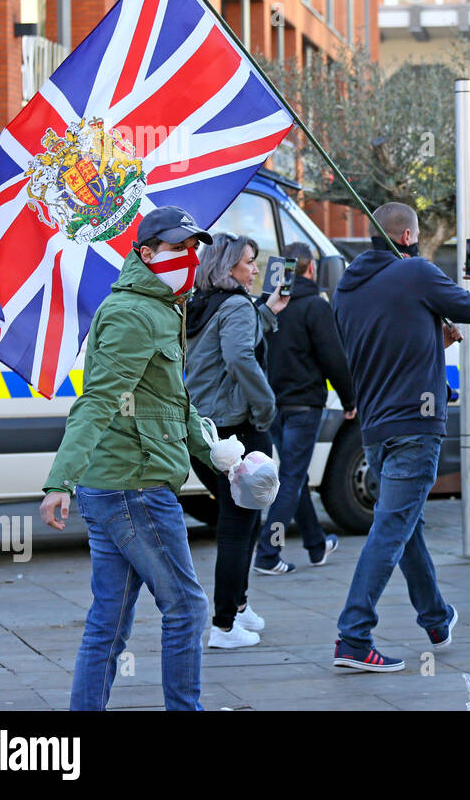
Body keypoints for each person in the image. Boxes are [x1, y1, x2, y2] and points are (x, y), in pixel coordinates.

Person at [39, 206, 214, 710]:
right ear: (145, 253)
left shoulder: (162, 305)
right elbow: (96, 400)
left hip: (120, 482)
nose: (190, 256)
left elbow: (171, 401)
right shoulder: (133, 313)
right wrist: (59, 482)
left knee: (109, 621)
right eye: (178, 247)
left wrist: (217, 454)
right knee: (186, 607)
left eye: (193, 247)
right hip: (133, 486)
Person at [332, 203, 470, 672]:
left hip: (377, 429)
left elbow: (377, 347)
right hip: (415, 426)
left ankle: (436, 618)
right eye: (418, 236)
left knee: (406, 525)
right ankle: (353, 636)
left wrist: (428, 337)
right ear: (406, 238)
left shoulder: (346, 290)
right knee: (390, 529)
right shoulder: (416, 273)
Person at [186, 232, 288, 649]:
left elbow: (218, 347)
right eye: (249, 261)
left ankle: (239, 606)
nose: (256, 268)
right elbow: (239, 357)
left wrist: (265, 312)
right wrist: (266, 408)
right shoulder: (236, 305)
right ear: (229, 267)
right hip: (239, 431)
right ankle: (224, 626)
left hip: (205, 432)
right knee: (237, 524)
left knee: (245, 519)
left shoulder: (198, 305)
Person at [254, 242, 357, 575]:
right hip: (303, 406)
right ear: (311, 269)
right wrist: (349, 399)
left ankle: (316, 544)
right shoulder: (315, 306)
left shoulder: (264, 305)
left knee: (292, 475)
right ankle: (268, 552)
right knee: (292, 477)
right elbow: (334, 358)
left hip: (271, 406)